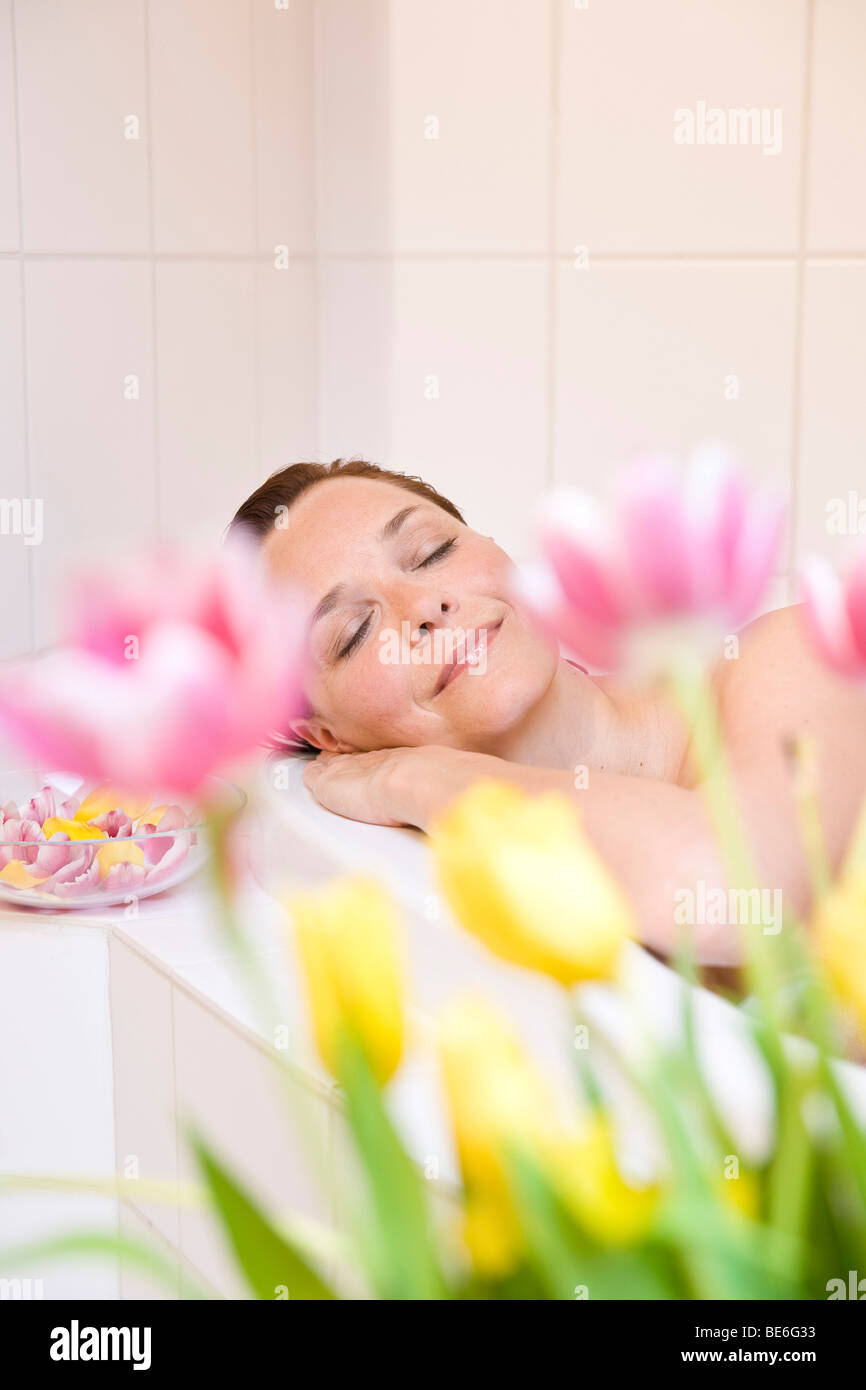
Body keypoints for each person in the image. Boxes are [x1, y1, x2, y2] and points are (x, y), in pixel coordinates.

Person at [229, 458, 866, 970]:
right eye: (356, 631)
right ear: (328, 737)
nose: (424, 605)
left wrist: (424, 777)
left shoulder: (793, 651)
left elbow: (734, 896)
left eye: (431, 552)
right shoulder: (456, 874)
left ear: (496, 549)